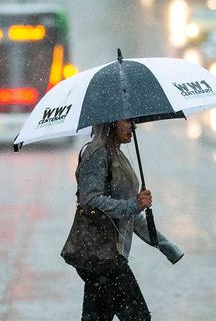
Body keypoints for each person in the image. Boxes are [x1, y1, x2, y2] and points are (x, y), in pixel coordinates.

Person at [73, 120, 183, 321]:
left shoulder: (115, 153)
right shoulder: (97, 153)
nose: (134, 126)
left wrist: (164, 245)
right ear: (110, 124)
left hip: (107, 255)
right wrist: (134, 204)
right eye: (127, 121)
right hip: (102, 255)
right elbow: (90, 200)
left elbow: (130, 216)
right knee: (138, 317)